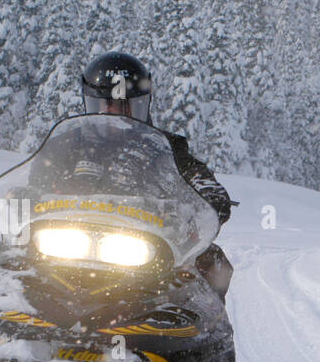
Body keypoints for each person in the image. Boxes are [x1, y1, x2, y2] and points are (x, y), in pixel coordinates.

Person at [79, 52, 235, 300]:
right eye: (106, 104)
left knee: (213, 264)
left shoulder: (166, 148)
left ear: (142, 105)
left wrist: (209, 198)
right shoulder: (72, 144)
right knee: (6, 261)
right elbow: (37, 178)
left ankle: (207, 335)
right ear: (90, 104)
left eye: (125, 104)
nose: (115, 112)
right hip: (73, 243)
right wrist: (20, 195)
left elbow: (201, 180)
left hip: (148, 248)